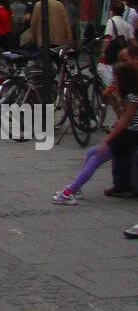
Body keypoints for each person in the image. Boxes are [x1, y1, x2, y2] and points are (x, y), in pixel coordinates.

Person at [53, 62, 138, 205]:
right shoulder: (126, 95)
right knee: (91, 153)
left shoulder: (132, 97)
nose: (113, 79)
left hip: (130, 136)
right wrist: (112, 100)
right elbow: (120, 116)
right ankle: (76, 188)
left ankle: (69, 191)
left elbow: (125, 122)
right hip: (126, 134)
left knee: (96, 157)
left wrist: (106, 141)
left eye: (116, 76)